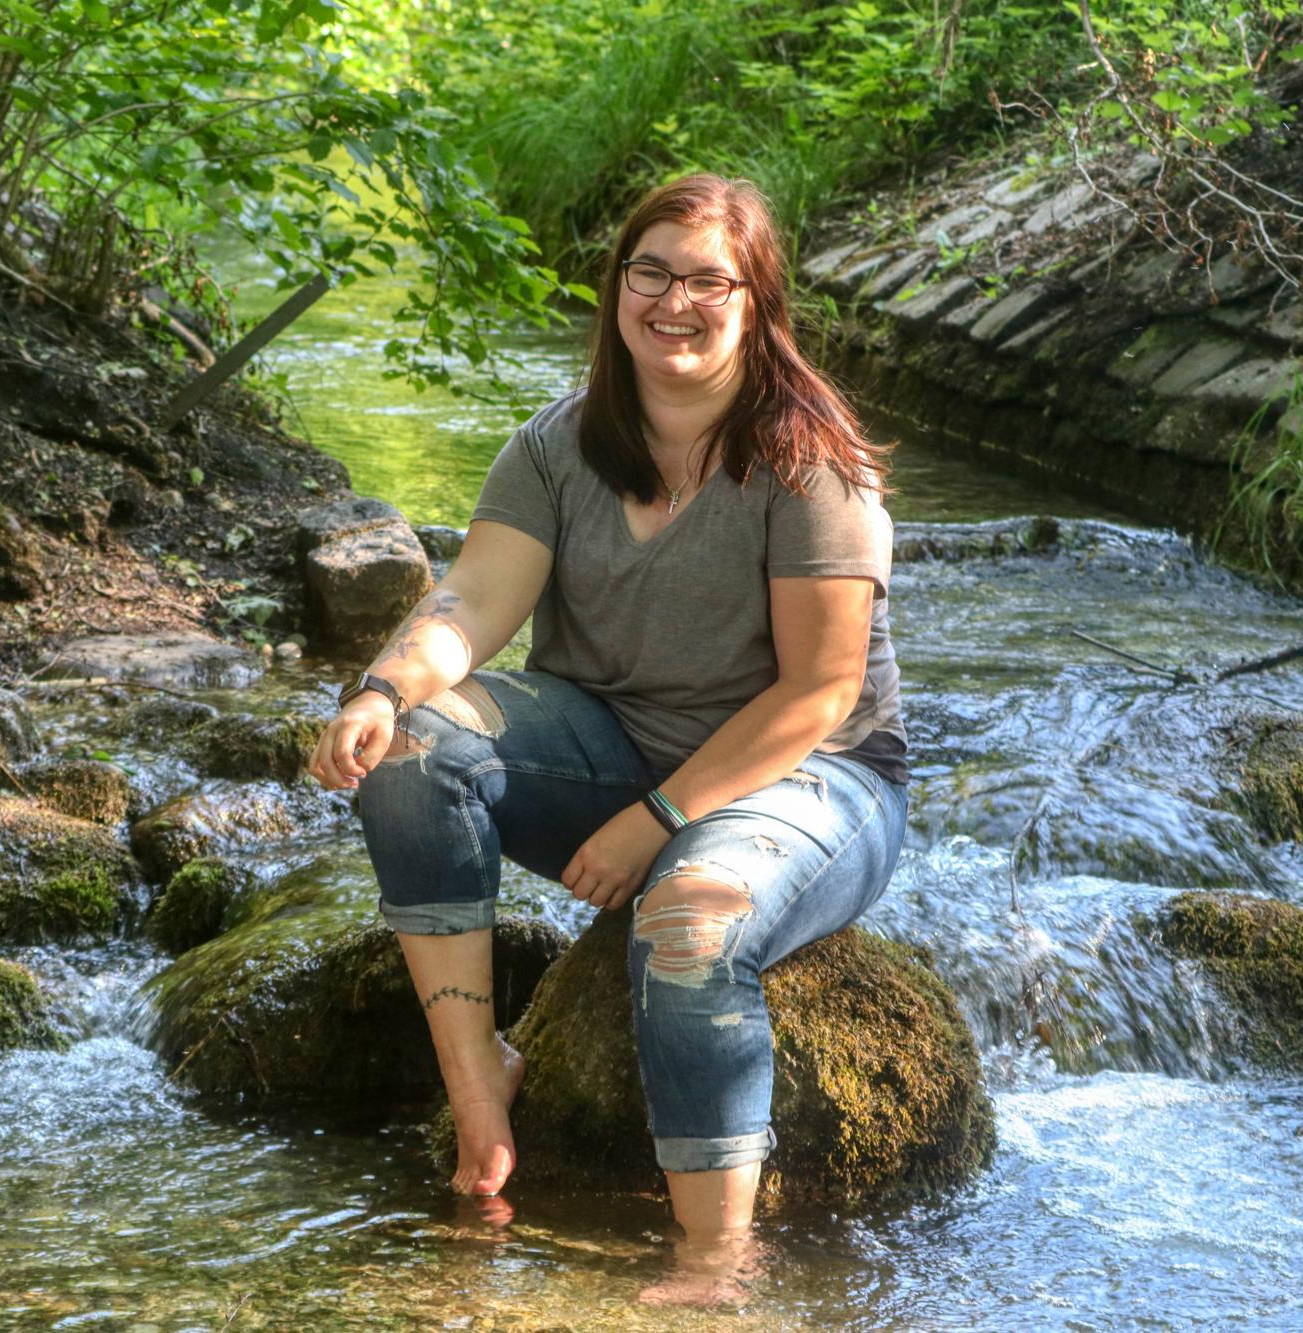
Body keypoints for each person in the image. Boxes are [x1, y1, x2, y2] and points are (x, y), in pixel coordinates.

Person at [306, 173, 909, 1272]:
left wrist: (658, 818)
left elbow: (819, 692)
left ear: (756, 301)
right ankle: (477, 1076)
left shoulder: (811, 465)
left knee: (687, 923)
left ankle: (713, 1263)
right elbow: (472, 602)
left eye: (706, 280)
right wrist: (382, 689)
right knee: (414, 746)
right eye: (650, 272)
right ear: (614, 286)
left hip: (817, 775)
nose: (673, 301)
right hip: (607, 746)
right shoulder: (558, 445)